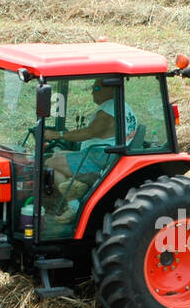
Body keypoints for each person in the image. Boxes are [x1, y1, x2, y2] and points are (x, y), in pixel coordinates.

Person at [42, 80, 140, 212]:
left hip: (100, 156)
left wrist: (58, 134)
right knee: (57, 154)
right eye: (93, 88)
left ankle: (74, 206)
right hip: (105, 154)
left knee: (49, 164)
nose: (92, 91)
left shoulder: (109, 110)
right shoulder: (123, 106)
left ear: (111, 89)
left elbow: (88, 132)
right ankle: (76, 187)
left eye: (97, 88)